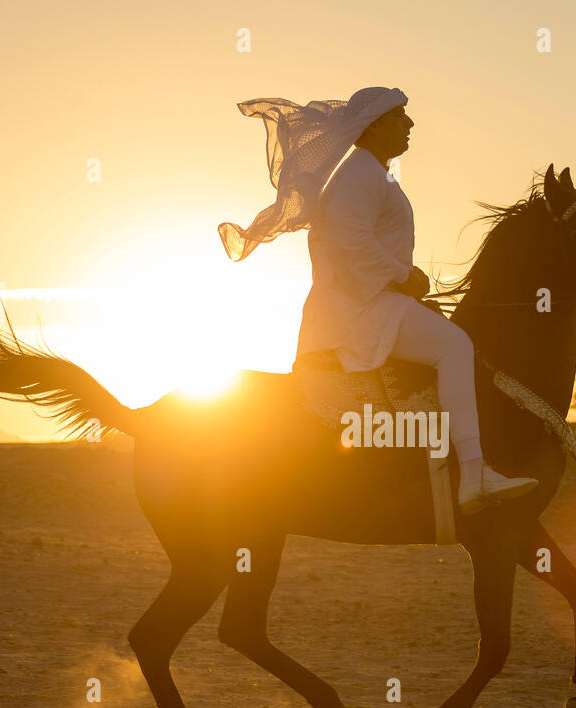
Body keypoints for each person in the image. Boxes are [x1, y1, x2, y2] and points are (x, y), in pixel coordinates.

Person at [219, 86, 537, 514]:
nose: (410, 124)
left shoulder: (370, 173)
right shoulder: (361, 175)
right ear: (374, 126)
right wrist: (405, 277)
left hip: (370, 301)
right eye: (399, 117)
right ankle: (473, 475)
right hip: (359, 311)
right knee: (455, 345)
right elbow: (352, 243)